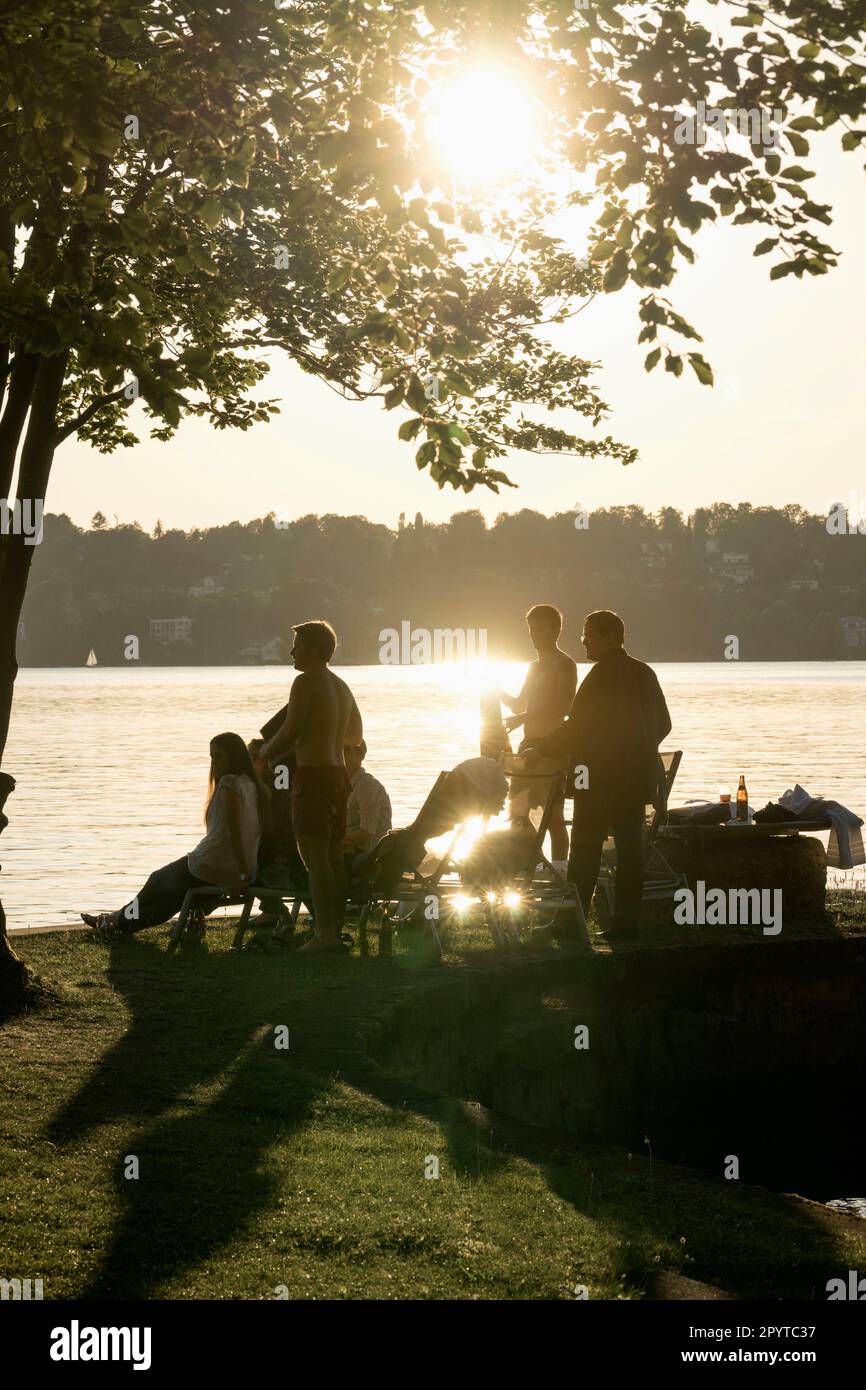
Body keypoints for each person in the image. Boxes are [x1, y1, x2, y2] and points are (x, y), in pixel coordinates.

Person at [524, 610, 671, 941]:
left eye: (588, 635)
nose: (583, 641)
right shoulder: (644, 673)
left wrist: (542, 750)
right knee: (631, 852)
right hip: (636, 782)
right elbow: (664, 724)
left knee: (584, 850)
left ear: (608, 637)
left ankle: (569, 922)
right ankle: (625, 924)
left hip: (596, 779)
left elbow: (574, 728)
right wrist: (639, 749)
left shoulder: (600, 676)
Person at [81, 732, 268, 938]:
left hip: (212, 865)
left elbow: (234, 834)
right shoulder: (252, 785)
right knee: (170, 903)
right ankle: (116, 923)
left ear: (234, 757)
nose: (214, 762)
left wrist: (241, 875)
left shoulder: (228, 785)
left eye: (219, 756)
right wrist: (245, 871)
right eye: (211, 756)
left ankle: (112, 920)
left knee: (156, 881)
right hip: (232, 867)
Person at [259, 619, 362, 953]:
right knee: (333, 858)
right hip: (338, 776)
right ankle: (334, 930)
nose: (291, 651)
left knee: (314, 859)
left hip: (314, 776)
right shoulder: (342, 686)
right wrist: (322, 733)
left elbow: (289, 730)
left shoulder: (304, 683)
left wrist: (263, 753)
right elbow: (355, 737)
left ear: (315, 649)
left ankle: (324, 936)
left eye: (298, 645)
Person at [498, 604, 577, 868]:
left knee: (553, 815)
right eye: (531, 629)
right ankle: (528, 865)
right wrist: (494, 690)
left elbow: (564, 708)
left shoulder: (564, 664)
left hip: (552, 746)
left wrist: (523, 718)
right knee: (519, 812)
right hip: (527, 746)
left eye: (539, 629)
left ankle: (560, 869)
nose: (533, 634)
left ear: (556, 630)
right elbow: (520, 704)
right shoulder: (533, 666)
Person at [343, 739, 392, 857]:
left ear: (361, 755)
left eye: (347, 750)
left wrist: (335, 844)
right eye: (340, 751)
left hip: (366, 854)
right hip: (350, 849)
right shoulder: (346, 784)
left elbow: (367, 833)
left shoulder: (367, 786)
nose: (343, 755)